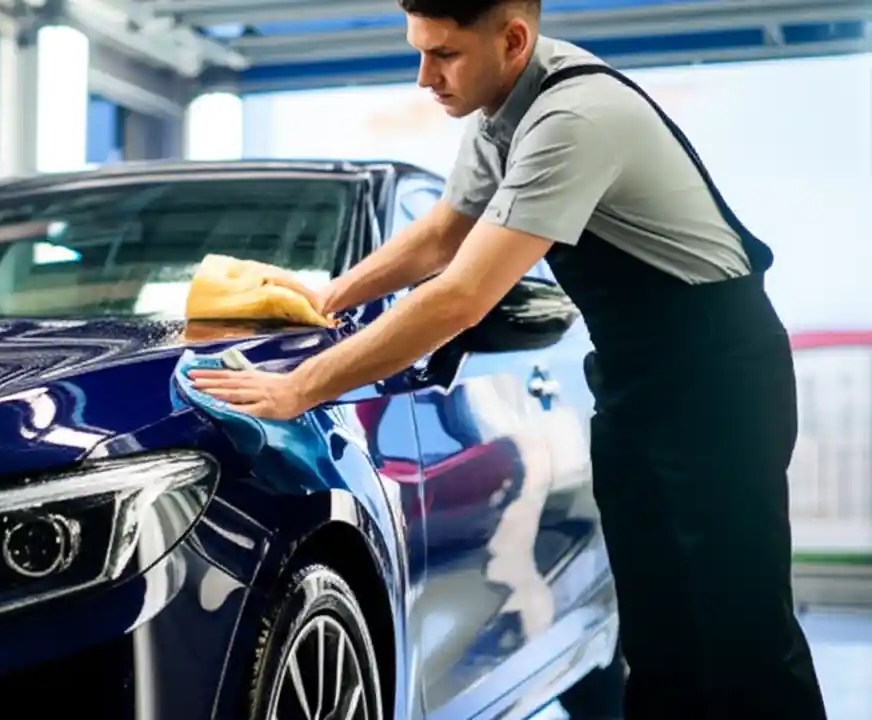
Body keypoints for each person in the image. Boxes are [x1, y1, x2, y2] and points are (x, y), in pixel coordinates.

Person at [186, 1, 831, 718]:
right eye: (419, 51)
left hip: (719, 379)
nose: (424, 76)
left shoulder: (574, 119)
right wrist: (328, 296)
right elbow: (440, 237)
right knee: (660, 639)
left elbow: (459, 296)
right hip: (633, 379)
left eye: (443, 54)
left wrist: (298, 388)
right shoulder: (505, 111)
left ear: (513, 38)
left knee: (742, 637)